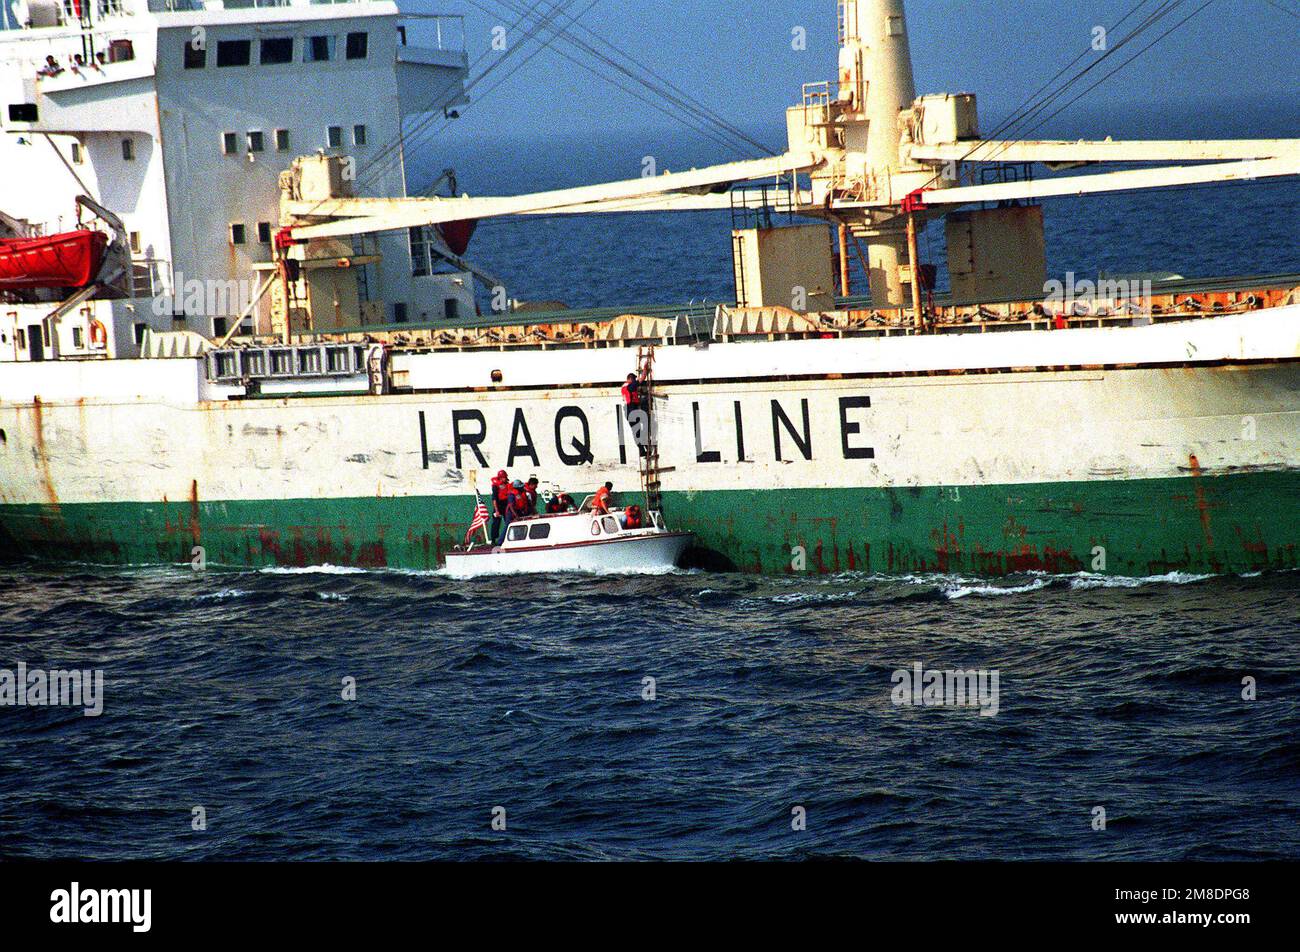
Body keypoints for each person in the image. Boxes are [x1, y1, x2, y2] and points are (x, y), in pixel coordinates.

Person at [496, 479, 528, 545]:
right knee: (508, 526)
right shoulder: (512, 494)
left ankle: (518, 540)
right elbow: (511, 506)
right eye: (521, 486)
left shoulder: (519, 493)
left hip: (518, 511)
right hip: (511, 512)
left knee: (519, 526)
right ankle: (500, 542)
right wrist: (515, 515)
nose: (522, 488)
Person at [489, 469, 509, 541]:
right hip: (498, 505)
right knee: (496, 523)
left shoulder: (507, 484)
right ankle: (493, 539)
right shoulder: (495, 486)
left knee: (508, 521)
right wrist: (496, 510)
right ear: (500, 477)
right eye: (504, 477)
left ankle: (507, 538)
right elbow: (494, 498)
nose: (505, 478)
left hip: (506, 505)